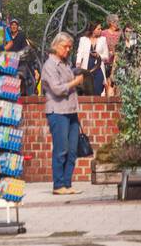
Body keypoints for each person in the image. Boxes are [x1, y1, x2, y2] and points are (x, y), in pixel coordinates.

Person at [41, 31, 84, 195]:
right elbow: (57, 89)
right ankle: (58, 185)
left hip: (71, 110)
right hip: (57, 111)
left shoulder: (65, 64)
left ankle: (67, 183)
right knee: (61, 149)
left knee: (72, 150)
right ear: (56, 46)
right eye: (65, 46)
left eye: (70, 47)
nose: (67, 50)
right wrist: (75, 82)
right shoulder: (49, 65)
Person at [76, 23, 108, 97]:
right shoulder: (83, 39)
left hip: (98, 68)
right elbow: (80, 53)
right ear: (93, 30)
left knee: (97, 89)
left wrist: (98, 55)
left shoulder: (103, 39)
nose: (101, 30)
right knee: (87, 91)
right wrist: (78, 63)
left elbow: (106, 56)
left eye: (101, 28)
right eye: (98, 29)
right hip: (87, 69)